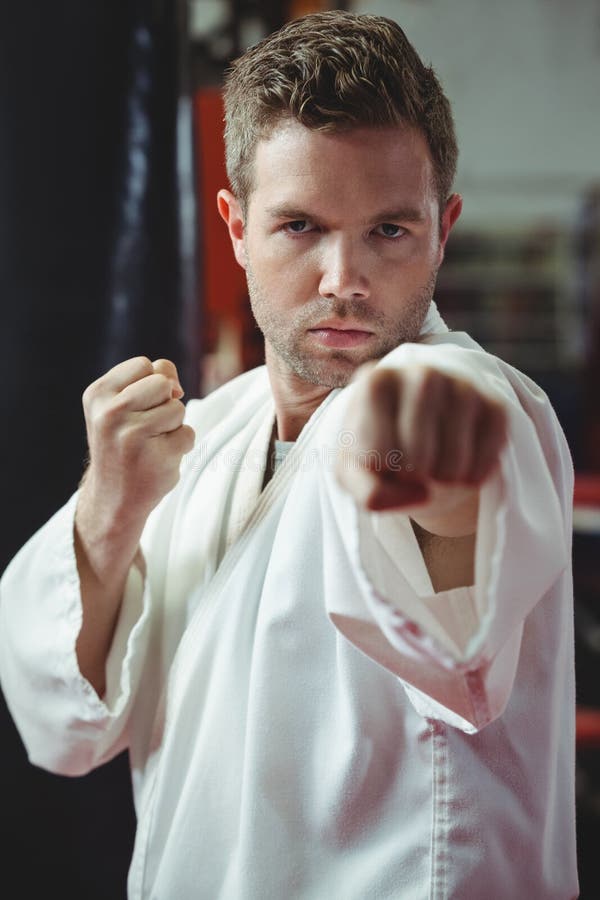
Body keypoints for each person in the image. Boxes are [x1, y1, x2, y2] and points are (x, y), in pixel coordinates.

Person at [0, 11, 578, 899]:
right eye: (302, 226)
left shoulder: (466, 401)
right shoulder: (206, 436)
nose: (344, 278)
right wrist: (111, 505)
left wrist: (432, 486)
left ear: (444, 227)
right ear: (235, 226)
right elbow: (61, 726)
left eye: (389, 231)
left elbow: (460, 631)